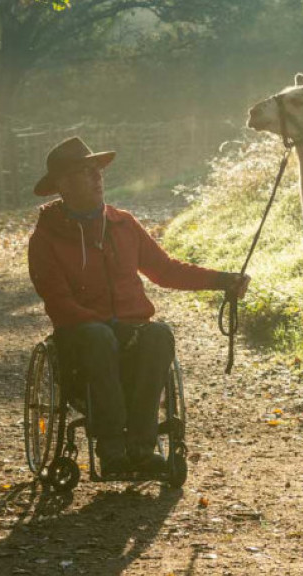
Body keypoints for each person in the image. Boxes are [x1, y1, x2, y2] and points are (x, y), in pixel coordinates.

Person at [27, 136, 249, 475]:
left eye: (96, 170)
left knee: (159, 335)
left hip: (130, 332)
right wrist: (104, 325)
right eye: (86, 172)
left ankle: (141, 448)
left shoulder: (123, 224)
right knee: (100, 338)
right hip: (80, 340)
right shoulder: (46, 237)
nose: (97, 177)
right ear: (63, 184)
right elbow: (58, 301)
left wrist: (222, 280)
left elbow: (165, 270)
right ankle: (112, 449)